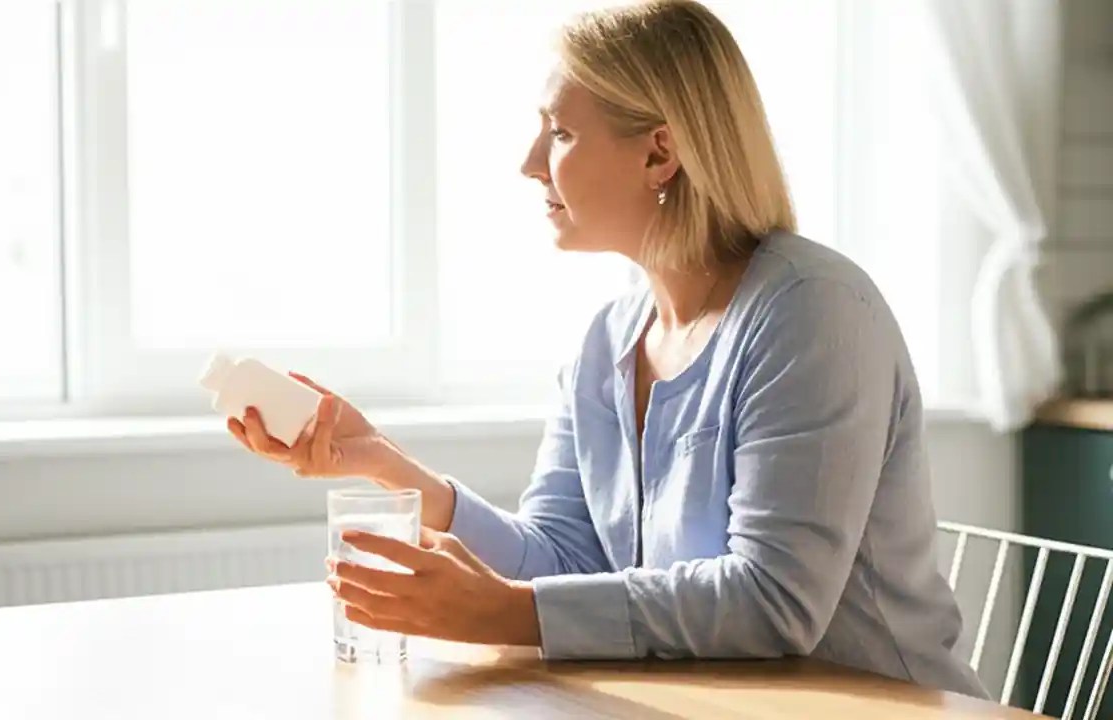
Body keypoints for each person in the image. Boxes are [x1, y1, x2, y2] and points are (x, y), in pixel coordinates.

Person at [227, 0, 986, 699]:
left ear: (660, 155)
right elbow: (559, 561)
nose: (530, 161)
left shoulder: (813, 313)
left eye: (559, 132)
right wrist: (380, 461)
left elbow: (772, 603)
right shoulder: (608, 342)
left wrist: (508, 615)